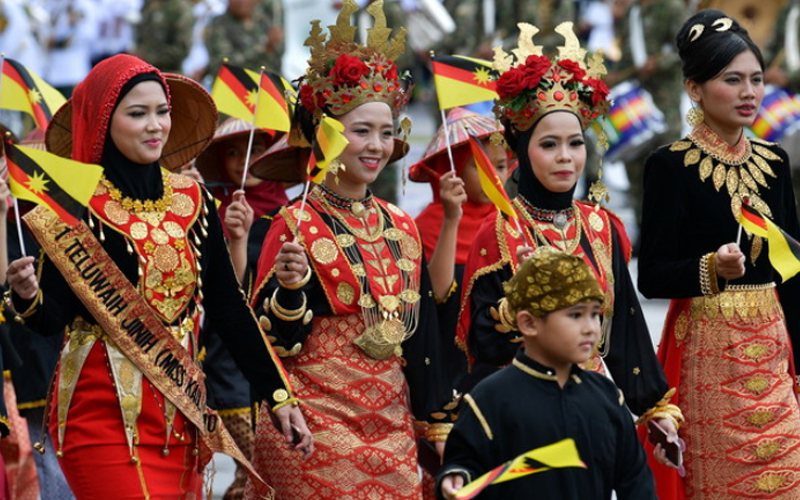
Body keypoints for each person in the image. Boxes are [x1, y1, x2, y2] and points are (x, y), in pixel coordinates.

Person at [4, 53, 311, 500]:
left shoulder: (194, 199)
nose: (155, 125)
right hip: (100, 411)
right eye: (138, 113)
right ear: (104, 122)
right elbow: (51, 320)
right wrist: (27, 295)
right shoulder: (75, 206)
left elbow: (227, 305)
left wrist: (278, 395)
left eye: (162, 111)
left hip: (179, 410)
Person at [245, 1, 463, 498]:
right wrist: (290, 288)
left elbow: (424, 336)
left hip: (391, 426)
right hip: (309, 426)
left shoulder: (401, 224)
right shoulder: (292, 223)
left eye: (386, 133)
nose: (376, 146)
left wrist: (440, 429)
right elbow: (266, 341)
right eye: (360, 131)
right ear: (326, 136)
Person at [456, 21, 682, 439]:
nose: (566, 158)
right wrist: (518, 301)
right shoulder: (500, 234)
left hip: (593, 410)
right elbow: (481, 346)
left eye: (575, 143)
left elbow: (627, 331)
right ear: (522, 150)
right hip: (520, 417)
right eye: (548, 145)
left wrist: (653, 409)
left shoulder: (600, 227)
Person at [638, 10, 800, 499]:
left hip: (772, 347)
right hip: (709, 346)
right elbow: (652, 277)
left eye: (755, 79)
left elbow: (792, 269)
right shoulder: (669, 166)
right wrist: (711, 268)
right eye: (732, 80)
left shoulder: (775, 162)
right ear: (694, 89)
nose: (750, 92)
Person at [438, 249, 658, 499]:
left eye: (595, 314)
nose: (590, 328)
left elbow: (636, 482)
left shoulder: (607, 397)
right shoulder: (490, 399)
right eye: (575, 315)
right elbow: (465, 467)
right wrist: (456, 476)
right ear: (529, 323)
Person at [193, 116, 287, 500]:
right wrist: (236, 237)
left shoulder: (292, 213)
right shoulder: (214, 213)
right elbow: (229, 293)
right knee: (252, 462)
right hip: (227, 351)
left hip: (280, 349)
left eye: (256, 151)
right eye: (233, 152)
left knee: (265, 472)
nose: (244, 161)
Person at [410, 107, 509, 388]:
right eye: (480, 167)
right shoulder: (423, 227)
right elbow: (436, 296)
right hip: (448, 364)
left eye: (500, 165)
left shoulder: (511, 222)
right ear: (450, 172)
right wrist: (452, 221)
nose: (494, 176)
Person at [608, 0, 687, 236]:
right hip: (635, 102)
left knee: (665, 166)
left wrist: (660, 63)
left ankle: (670, 231)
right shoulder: (633, 11)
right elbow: (626, 54)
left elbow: (688, 49)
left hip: (663, 103)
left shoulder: (672, 7)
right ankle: (645, 230)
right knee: (635, 167)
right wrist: (616, 75)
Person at [204, 0, 285, 82]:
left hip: (269, 86)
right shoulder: (218, 25)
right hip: (237, 88)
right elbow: (224, 66)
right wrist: (264, 49)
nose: (241, 2)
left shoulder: (265, 20)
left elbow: (278, 57)